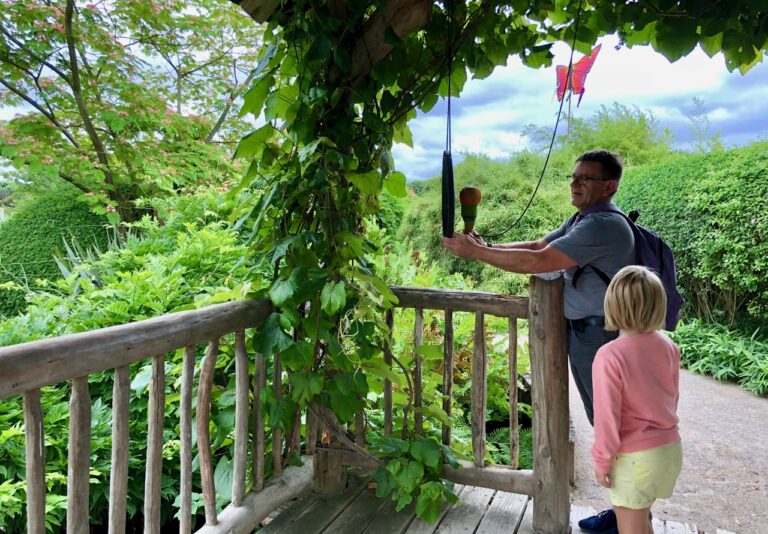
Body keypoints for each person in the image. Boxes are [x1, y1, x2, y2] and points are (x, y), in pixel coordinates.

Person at [443, 150, 634, 532]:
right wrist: (485, 249)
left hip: (602, 335)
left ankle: (630, 515)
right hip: (587, 334)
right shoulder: (584, 218)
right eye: (574, 176)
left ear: (609, 186)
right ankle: (624, 511)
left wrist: (478, 253)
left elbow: (540, 261)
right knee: (605, 421)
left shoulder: (604, 226)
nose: (574, 184)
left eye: (585, 179)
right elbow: (536, 246)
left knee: (616, 425)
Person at [585, 265, 682, 534]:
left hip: (635, 459)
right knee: (639, 522)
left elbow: (607, 419)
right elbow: (671, 399)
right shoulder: (669, 347)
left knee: (630, 526)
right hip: (668, 450)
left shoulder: (610, 355)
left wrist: (602, 461)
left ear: (612, 305)